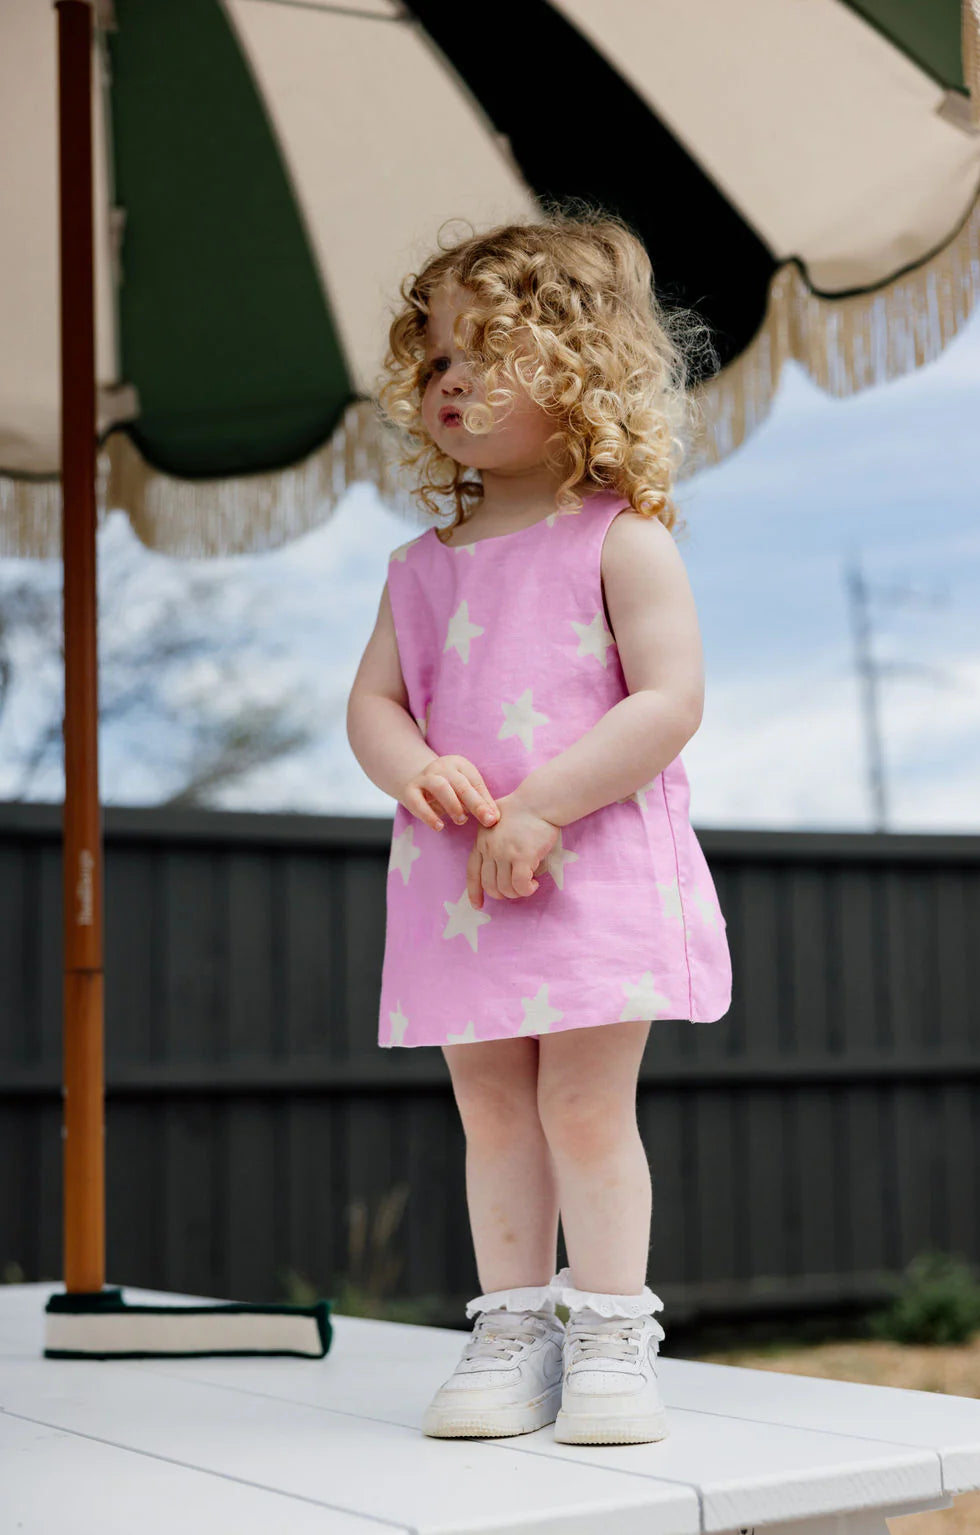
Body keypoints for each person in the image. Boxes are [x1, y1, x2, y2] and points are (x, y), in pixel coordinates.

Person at [346, 207, 732, 1446]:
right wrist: (415, 771)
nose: (450, 379)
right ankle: (511, 1324)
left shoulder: (621, 540)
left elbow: (668, 703)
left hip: (586, 870)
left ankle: (612, 1328)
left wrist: (539, 807)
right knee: (492, 1112)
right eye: (439, 356)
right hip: (461, 880)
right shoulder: (421, 567)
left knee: (580, 1106)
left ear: (575, 369)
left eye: (484, 351)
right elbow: (372, 703)